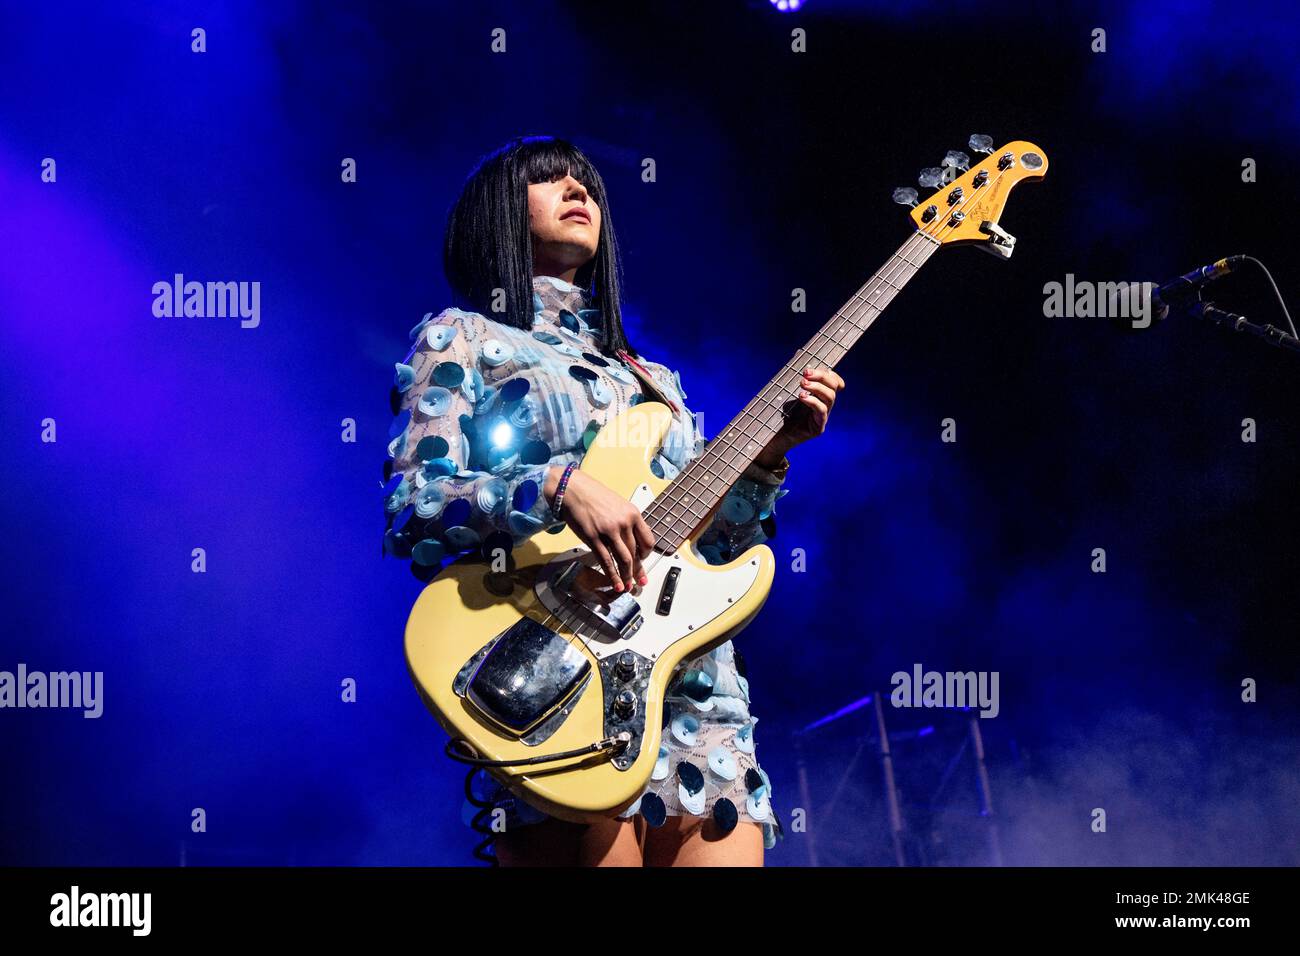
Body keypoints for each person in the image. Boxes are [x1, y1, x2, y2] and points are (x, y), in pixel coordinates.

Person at [383, 135, 844, 866]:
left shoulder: (655, 380)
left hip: (696, 692)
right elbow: (418, 508)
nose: (578, 192)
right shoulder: (461, 337)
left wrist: (769, 455)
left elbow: (716, 550)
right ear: (498, 212)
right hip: (559, 671)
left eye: (588, 184)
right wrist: (558, 487)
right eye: (550, 181)